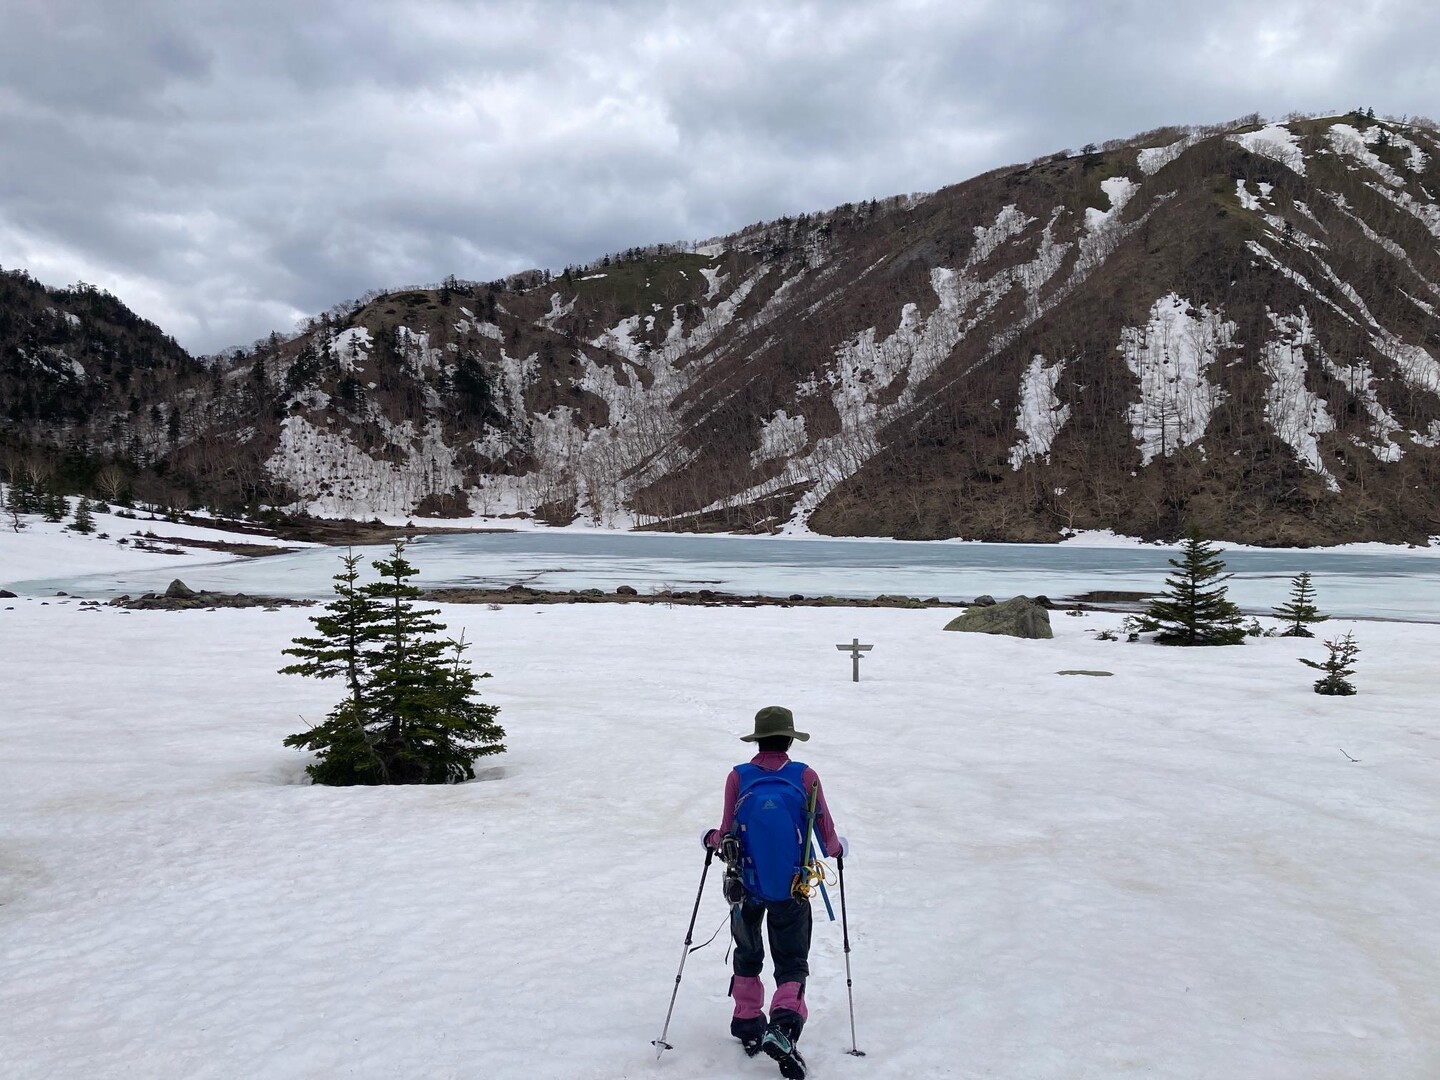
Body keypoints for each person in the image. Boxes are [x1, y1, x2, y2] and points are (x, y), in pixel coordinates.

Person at [702, 705, 848, 1080]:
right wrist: (836, 849)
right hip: (792, 887)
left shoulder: (739, 776)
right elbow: (824, 830)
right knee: (791, 958)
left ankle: (748, 1021)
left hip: (744, 886)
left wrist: (709, 839)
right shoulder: (805, 776)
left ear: (758, 739)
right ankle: (783, 1026)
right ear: (789, 740)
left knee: (748, 951)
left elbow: (725, 831)